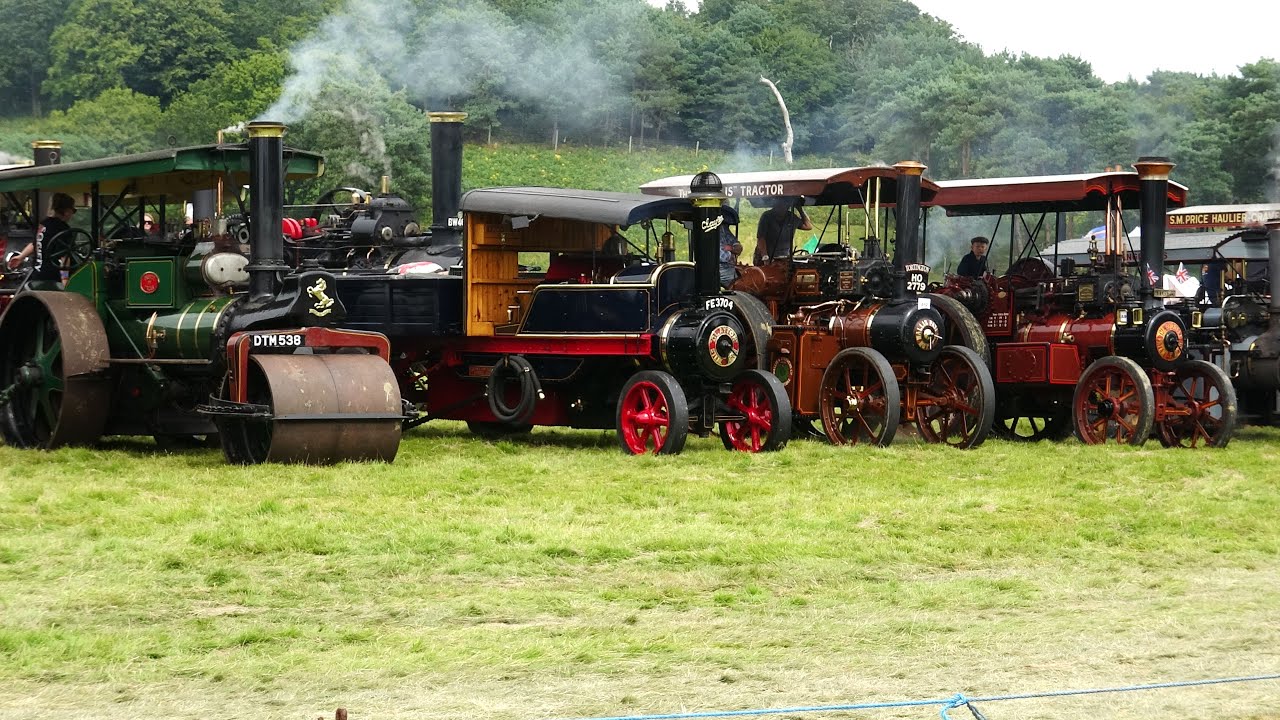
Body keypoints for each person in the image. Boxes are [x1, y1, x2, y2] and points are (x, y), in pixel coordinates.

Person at [7, 192, 76, 290]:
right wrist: (65, 279)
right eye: (74, 210)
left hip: (37, 275)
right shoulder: (63, 229)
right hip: (53, 278)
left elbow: (35, 243)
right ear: (67, 211)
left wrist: (21, 257)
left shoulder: (43, 225)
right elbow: (65, 257)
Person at [754, 197, 811, 265]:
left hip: (784, 257)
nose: (782, 207)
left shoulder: (791, 217)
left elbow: (808, 226)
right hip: (767, 256)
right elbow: (761, 238)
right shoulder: (766, 216)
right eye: (779, 204)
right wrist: (765, 257)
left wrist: (800, 209)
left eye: (785, 204)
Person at [719, 219, 743, 288]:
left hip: (730, 269)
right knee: (740, 288)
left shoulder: (723, 228)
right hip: (720, 271)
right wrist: (732, 254)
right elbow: (722, 256)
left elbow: (739, 248)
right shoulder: (707, 229)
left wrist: (731, 249)